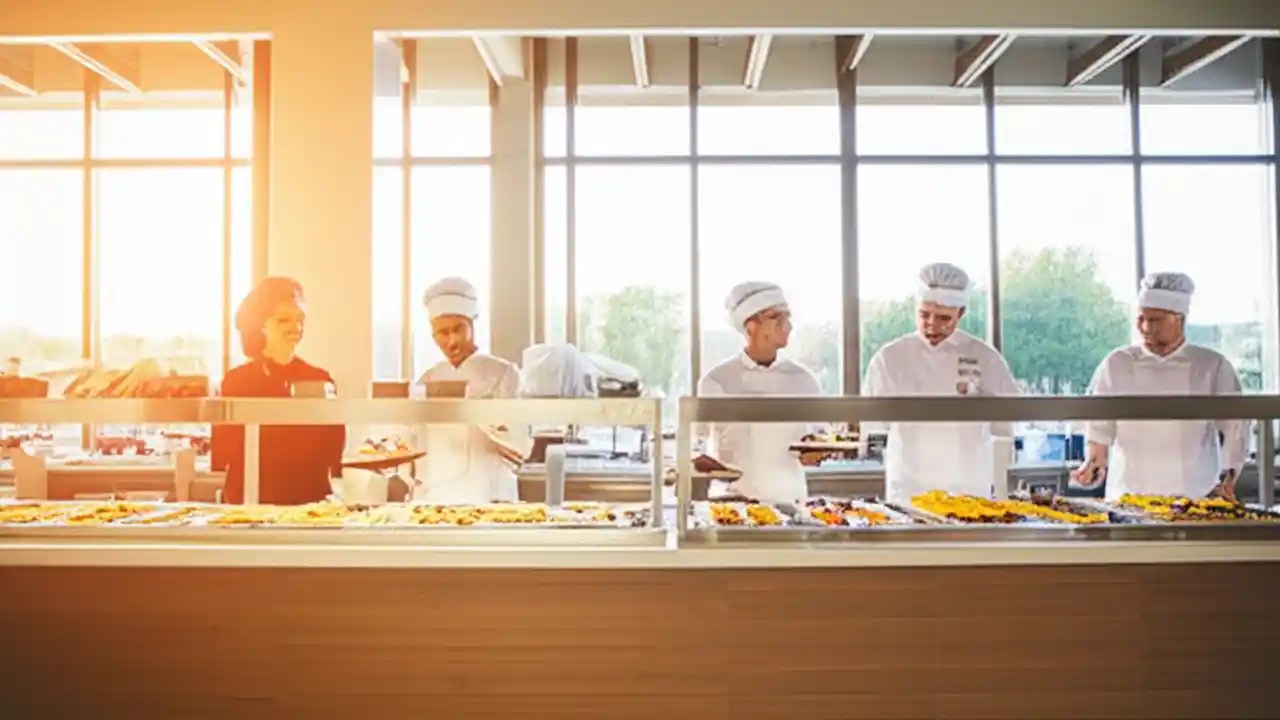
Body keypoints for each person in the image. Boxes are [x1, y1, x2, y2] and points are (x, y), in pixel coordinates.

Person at [1073, 272, 1246, 501]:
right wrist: (1093, 463)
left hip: (1195, 497)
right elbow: (1099, 426)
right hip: (1129, 499)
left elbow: (1236, 428)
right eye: (1140, 318)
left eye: (1155, 320)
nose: (1145, 327)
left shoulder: (1211, 365)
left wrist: (1228, 475)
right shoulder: (1117, 363)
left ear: (1180, 318)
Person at [863, 262, 1019, 503]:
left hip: (969, 488)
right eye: (924, 315)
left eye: (943, 318)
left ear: (961, 313)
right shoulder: (890, 358)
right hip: (909, 490)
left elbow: (1007, 422)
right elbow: (872, 427)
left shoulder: (985, 358)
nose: (932, 325)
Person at [211, 277, 345, 504]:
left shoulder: (320, 379)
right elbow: (224, 452)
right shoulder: (236, 381)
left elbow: (333, 452)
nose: (296, 327)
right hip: (249, 503)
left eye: (299, 319)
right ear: (260, 325)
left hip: (309, 504)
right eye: (284, 320)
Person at [698, 281, 822, 503]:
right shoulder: (716, 381)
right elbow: (696, 447)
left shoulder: (804, 381)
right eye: (776, 317)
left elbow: (818, 444)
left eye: (788, 318)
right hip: (732, 507)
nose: (788, 326)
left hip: (790, 507)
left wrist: (817, 452)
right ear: (750, 326)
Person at [415, 277, 522, 503]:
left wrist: (484, 417)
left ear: (472, 325)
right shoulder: (427, 380)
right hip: (436, 498)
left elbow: (521, 445)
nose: (452, 341)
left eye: (458, 329)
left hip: (490, 494)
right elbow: (414, 444)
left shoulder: (504, 374)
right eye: (443, 333)